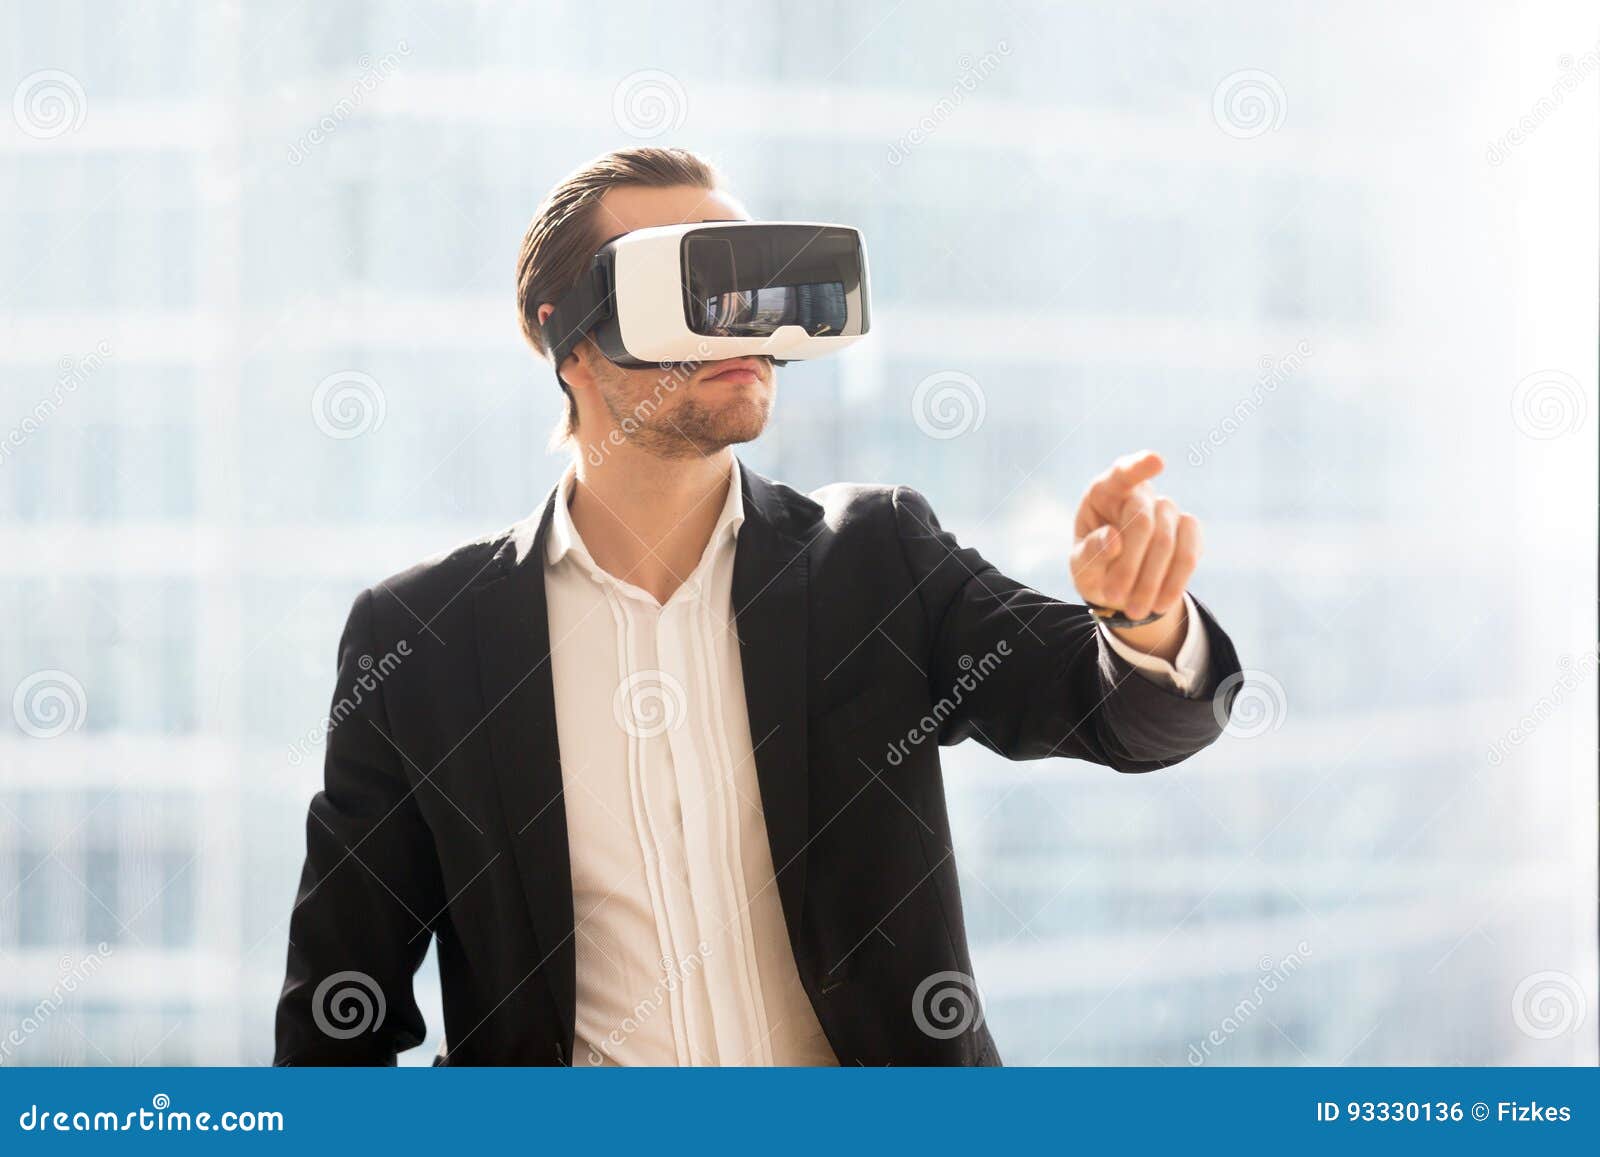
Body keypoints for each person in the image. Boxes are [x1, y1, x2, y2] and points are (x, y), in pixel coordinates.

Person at [274, 147, 1241, 1067]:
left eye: (750, 290)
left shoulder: (877, 558)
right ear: (570, 337)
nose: (737, 327)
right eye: (692, 288)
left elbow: (1115, 709)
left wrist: (1143, 621)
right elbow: (336, 1015)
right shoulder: (422, 641)